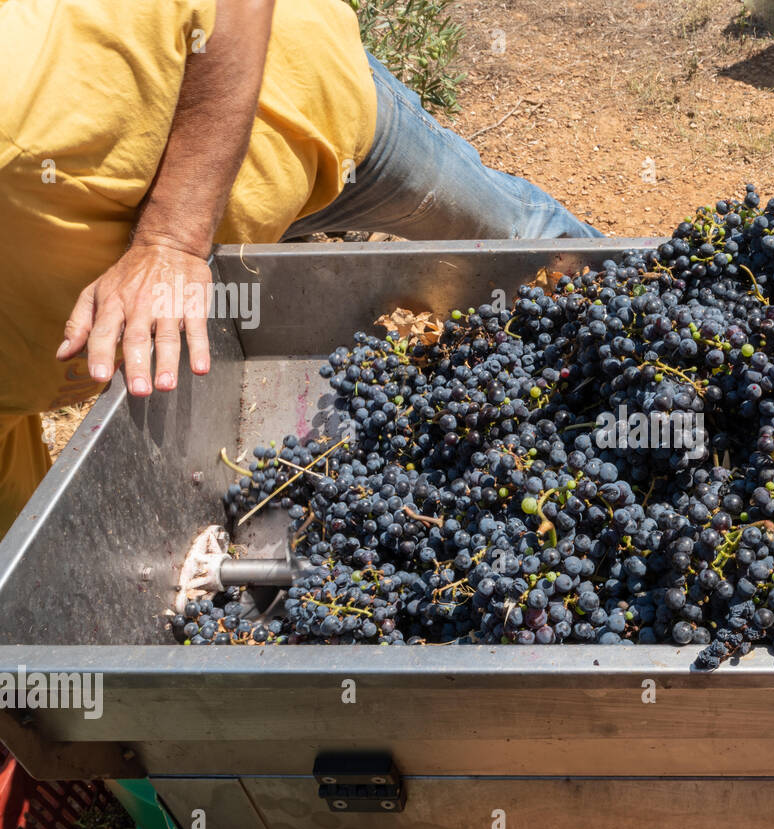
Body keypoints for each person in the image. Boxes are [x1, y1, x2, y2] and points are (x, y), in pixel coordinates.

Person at [0, 0, 600, 537]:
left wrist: (172, 238)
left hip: (298, 111)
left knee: (521, 246)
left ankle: (637, 367)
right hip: (219, 229)